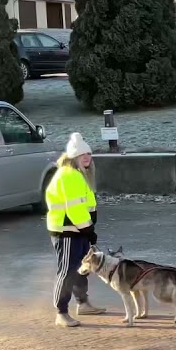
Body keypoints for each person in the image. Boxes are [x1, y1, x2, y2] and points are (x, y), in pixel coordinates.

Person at [46, 133, 105, 327]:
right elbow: (75, 209)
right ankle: (61, 312)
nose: (87, 157)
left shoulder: (77, 174)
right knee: (68, 271)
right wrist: (88, 229)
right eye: (82, 155)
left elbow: (83, 206)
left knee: (81, 269)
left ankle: (82, 303)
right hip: (68, 232)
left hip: (77, 230)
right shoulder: (70, 176)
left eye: (89, 153)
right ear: (73, 157)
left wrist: (88, 229)